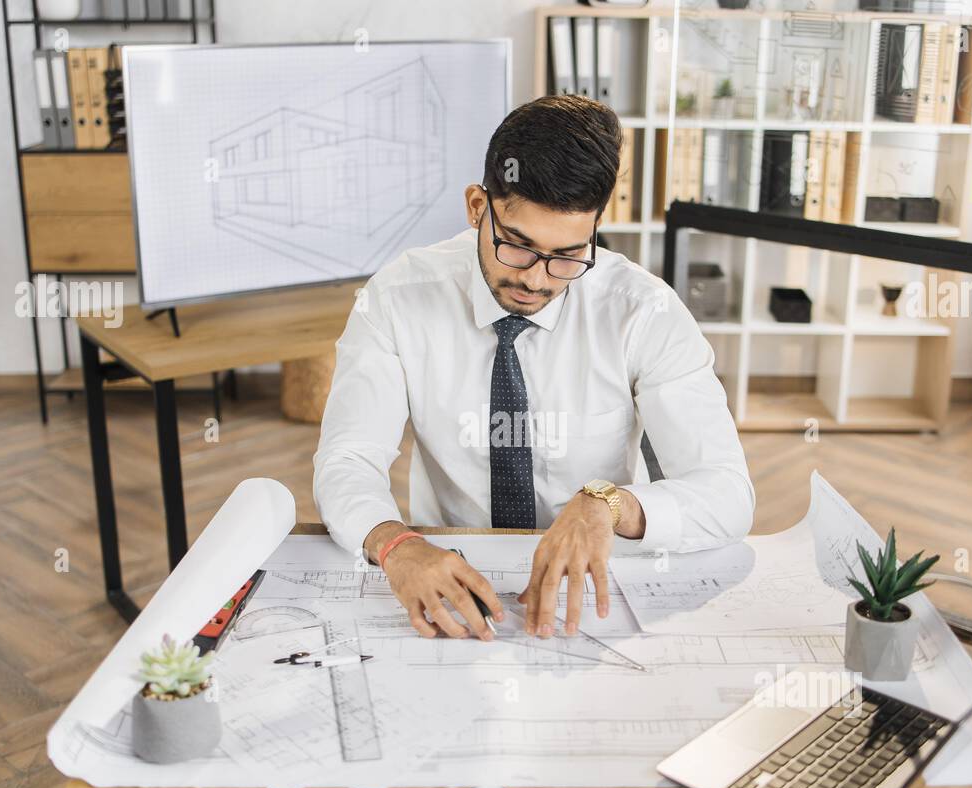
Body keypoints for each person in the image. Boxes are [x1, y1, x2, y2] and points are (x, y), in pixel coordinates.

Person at [313, 95, 754, 641]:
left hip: (599, 582)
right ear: (478, 207)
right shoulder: (397, 298)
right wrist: (396, 545)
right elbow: (348, 457)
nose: (539, 279)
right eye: (517, 247)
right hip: (452, 567)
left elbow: (729, 494)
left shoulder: (643, 311)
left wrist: (608, 506)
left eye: (568, 255)